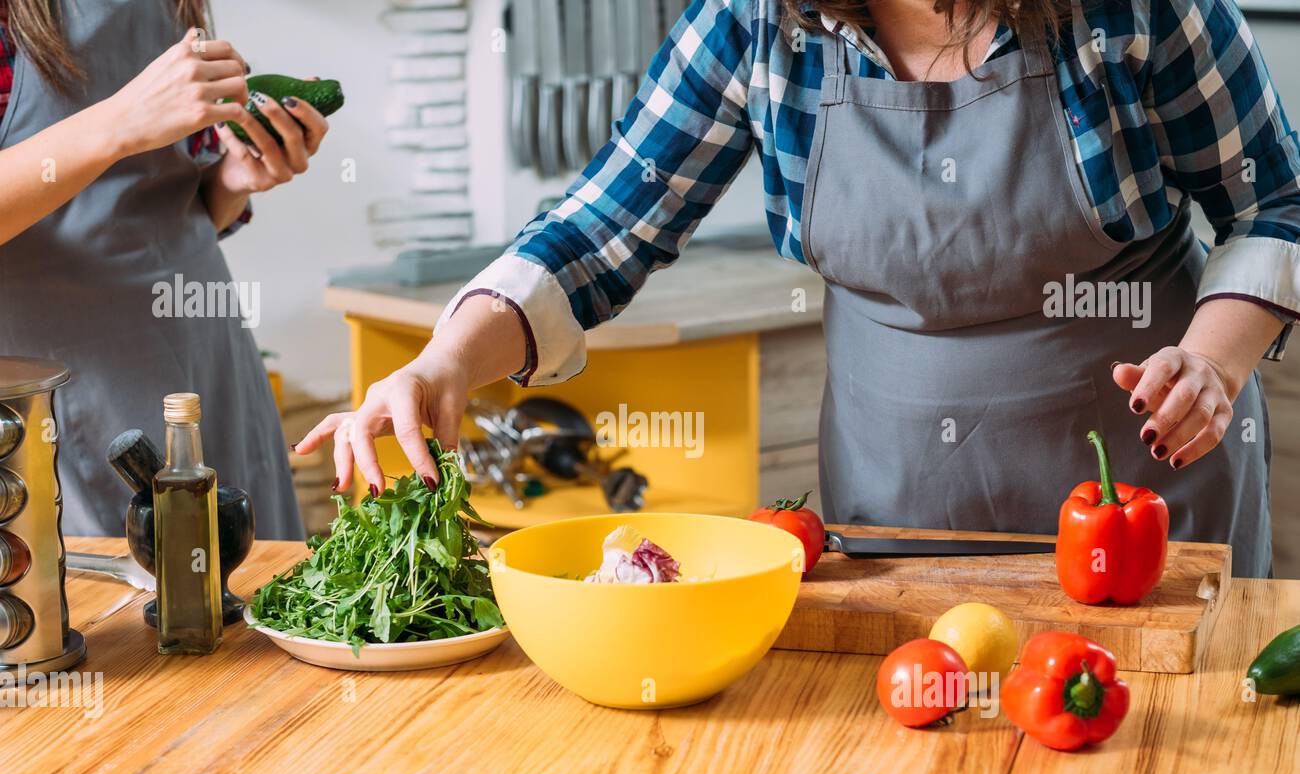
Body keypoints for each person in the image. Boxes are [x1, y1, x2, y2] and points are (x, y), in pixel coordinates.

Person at [300, 0, 1299, 577]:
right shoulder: (754, 22)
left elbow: (1275, 202)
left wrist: (1211, 364)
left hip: (1142, 482)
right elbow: (599, 228)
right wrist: (444, 361)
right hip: (899, 490)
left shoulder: (1132, 12)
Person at [0, 0, 327, 538]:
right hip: (75, 388)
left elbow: (167, 200)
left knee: (258, 592)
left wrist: (234, 177)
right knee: (128, 608)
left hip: (210, 354)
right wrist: (118, 122)